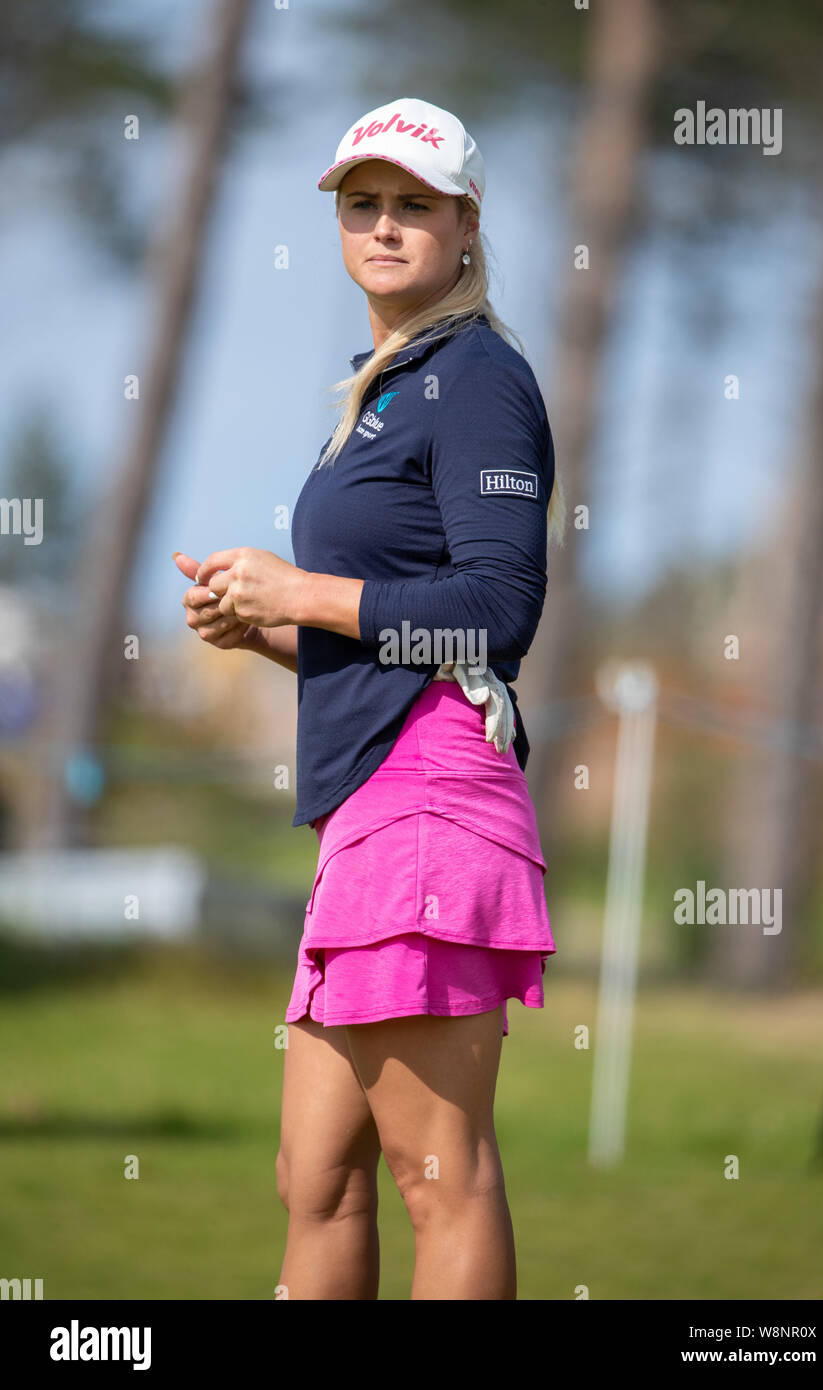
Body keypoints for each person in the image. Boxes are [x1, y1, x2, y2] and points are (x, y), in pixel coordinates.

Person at [174, 96, 566, 1300]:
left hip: (431, 799)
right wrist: (267, 631)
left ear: (466, 225)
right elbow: (398, 636)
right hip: (365, 810)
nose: (383, 226)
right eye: (362, 205)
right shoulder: (389, 385)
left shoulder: (478, 376)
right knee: (317, 1178)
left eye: (413, 205)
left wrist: (301, 588)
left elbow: (494, 612)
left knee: (437, 1175)